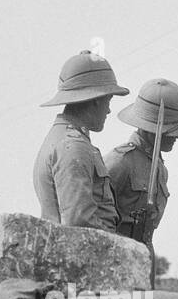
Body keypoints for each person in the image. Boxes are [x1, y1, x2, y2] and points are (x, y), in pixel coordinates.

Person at [33, 51, 129, 231]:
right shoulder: (73, 146)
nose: (108, 111)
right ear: (95, 100)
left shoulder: (62, 139)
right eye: (108, 100)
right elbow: (80, 225)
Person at [104, 78, 178, 249]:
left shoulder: (160, 169)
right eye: (172, 131)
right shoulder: (120, 162)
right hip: (116, 253)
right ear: (150, 128)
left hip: (144, 252)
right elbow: (94, 218)